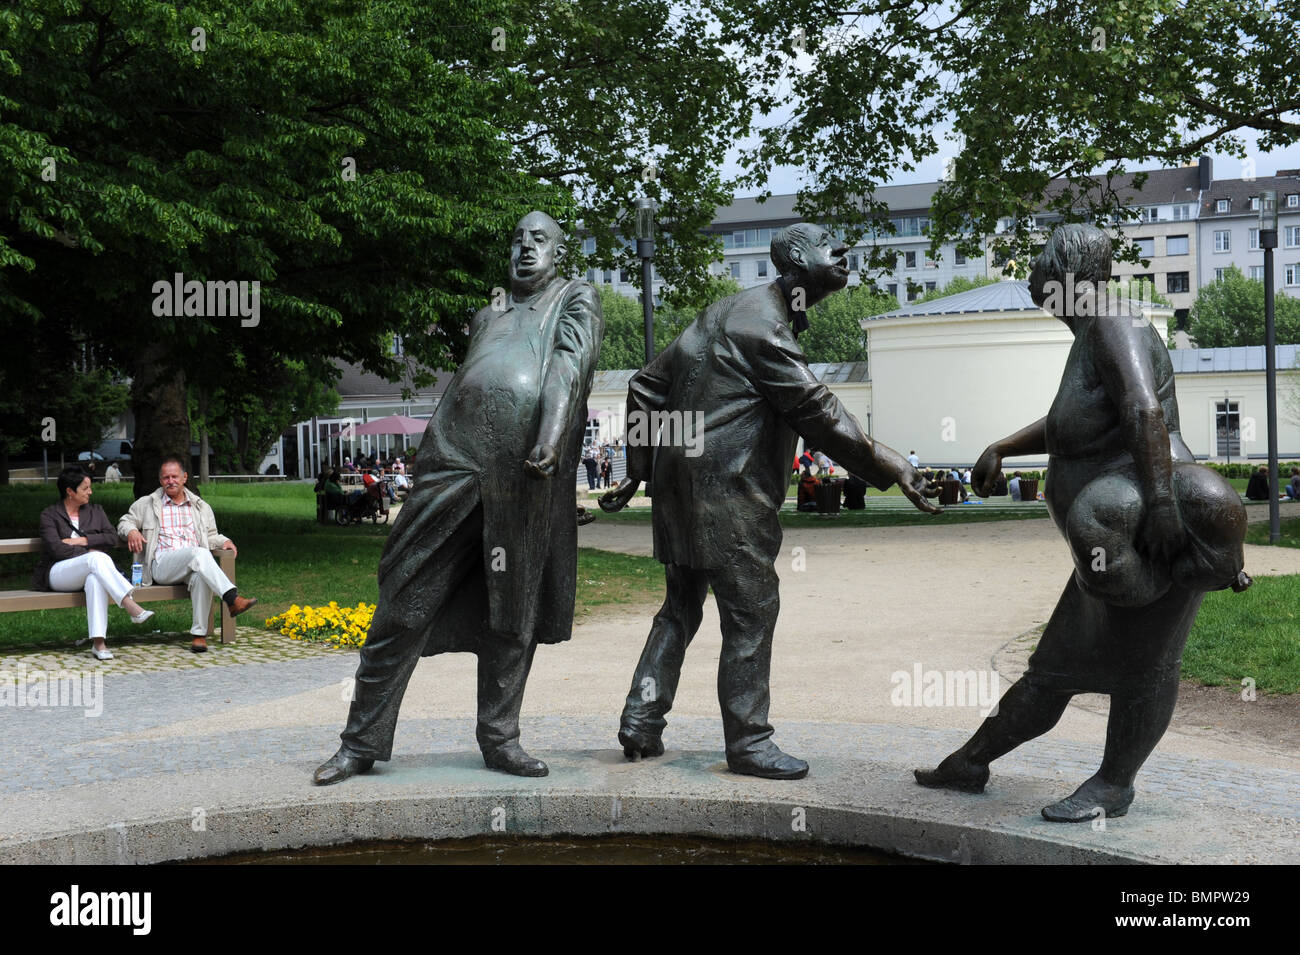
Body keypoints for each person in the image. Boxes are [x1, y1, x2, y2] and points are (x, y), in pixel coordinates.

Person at [915, 223, 1249, 822]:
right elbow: (1076, 426)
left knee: (1145, 663)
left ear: (1062, 276)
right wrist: (1002, 445)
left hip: (1152, 531)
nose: (1033, 280)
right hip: (1114, 545)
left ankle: (1114, 783)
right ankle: (970, 762)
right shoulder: (1091, 334)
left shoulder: (1113, 322)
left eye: (1041, 268)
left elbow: (1141, 408)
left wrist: (1165, 507)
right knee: (1054, 669)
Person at [600, 222, 939, 780]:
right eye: (833, 244)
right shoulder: (764, 327)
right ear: (798, 258)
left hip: (682, 495)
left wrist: (640, 473)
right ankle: (749, 743)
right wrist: (895, 465)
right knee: (752, 612)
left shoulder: (723, 313)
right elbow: (820, 413)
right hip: (727, 494)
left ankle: (641, 721)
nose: (845, 250)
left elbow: (644, 386)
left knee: (679, 609)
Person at [314, 210, 603, 785]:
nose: (525, 249)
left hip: (524, 475)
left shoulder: (576, 297)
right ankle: (360, 742)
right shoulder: (487, 314)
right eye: (517, 240)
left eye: (538, 240)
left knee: (512, 611)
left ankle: (500, 737)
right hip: (455, 463)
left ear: (558, 252)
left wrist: (548, 436)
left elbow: (569, 368)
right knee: (404, 596)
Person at [118, 455, 259, 653]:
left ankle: (199, 636)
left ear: (184, 477)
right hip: (162, 565)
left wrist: (224, 541)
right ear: (160, 481)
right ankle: (232, 598)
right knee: (198, 554)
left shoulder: (201, 507)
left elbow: (211, 535)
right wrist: (132, 531)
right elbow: (124, 521)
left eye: (174, 477)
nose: (170, 481)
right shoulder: (147, 504)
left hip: (194, 563)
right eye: (166, 478)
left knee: (200, 577)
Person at [34, 467, 155, 660]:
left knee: (95, 578)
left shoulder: (96, 511)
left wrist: (82, 541)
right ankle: (129, 603)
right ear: (70, 491)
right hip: (58, 572)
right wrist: (89, 552)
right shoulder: (49, 515)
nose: (90, 492)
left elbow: (111, 538)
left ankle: (99, 644)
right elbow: (56, 549)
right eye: (85, 488)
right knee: (96, 558)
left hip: (91, 570)